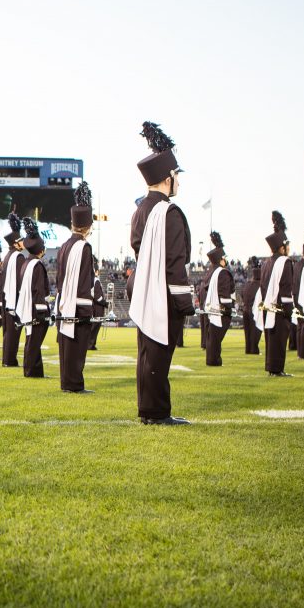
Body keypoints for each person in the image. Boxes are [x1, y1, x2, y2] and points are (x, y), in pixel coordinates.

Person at [128, 121, 194, 425]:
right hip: (163, 294)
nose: (178, 180)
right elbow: (174, 262)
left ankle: (149, 409)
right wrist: (184, 303)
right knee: (158, 355)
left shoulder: (140, 210)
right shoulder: (169, 212)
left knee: (146, 353)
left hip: (144, 289)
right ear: (168, 178)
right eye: (177, 175)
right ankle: (156, 412)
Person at [56, 182, 97, 392]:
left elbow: (60, 278)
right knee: (77, 347)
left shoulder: (64, 246)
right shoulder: (84, 246)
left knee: (66, 346)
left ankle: (67, 382)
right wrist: (85, 308)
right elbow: (85, 280)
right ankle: (74, 385)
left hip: (64, 302)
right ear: (88, 226)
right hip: (78, 306)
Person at [260, 211, 295, 378]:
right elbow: (286, 287)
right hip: (280, 307)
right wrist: (289, 309)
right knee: (279, 339)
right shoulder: (285, 262)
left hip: (268, 306)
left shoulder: (267, 263)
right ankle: (277, 369)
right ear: (282, 247)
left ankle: (271, 368)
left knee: (271, 339)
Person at [15, 217, 51, 378]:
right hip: (35, 310)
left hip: (28, 307)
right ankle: (30, 370)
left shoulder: (26, 263)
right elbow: (38, 291)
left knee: (32, 340)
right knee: (34, 341)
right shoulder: (36, 265)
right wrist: (42, 312)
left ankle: (35, 370)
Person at [197, 231, 235, 367]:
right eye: (224, 257)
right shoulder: (223, 273)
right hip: (220, 310)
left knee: (212, 336)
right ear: (220, 259)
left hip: (210, 309)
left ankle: (213, 359)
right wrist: (229, 309)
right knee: (215, 336)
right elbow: (225, 294)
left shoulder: (211, 273)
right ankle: (214, 360)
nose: (226, 260)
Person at [0, 213, 25, 367]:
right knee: (13, 332)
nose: (23, 242)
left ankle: (8, 360)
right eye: (20, 240)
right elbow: (19, 281)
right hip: (13, 299)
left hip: (7, 298)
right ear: (15, 243)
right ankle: (10, 360)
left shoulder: (8, 256)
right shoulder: (18, 257)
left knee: (8, 332)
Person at [241, 257, 263, 355]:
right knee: (255, 331)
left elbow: (242, 294)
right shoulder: (260, 286)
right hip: (254, 310)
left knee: (247, 331)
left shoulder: (247, 285)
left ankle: (248, 349)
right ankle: (254, 349)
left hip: (245, 309)